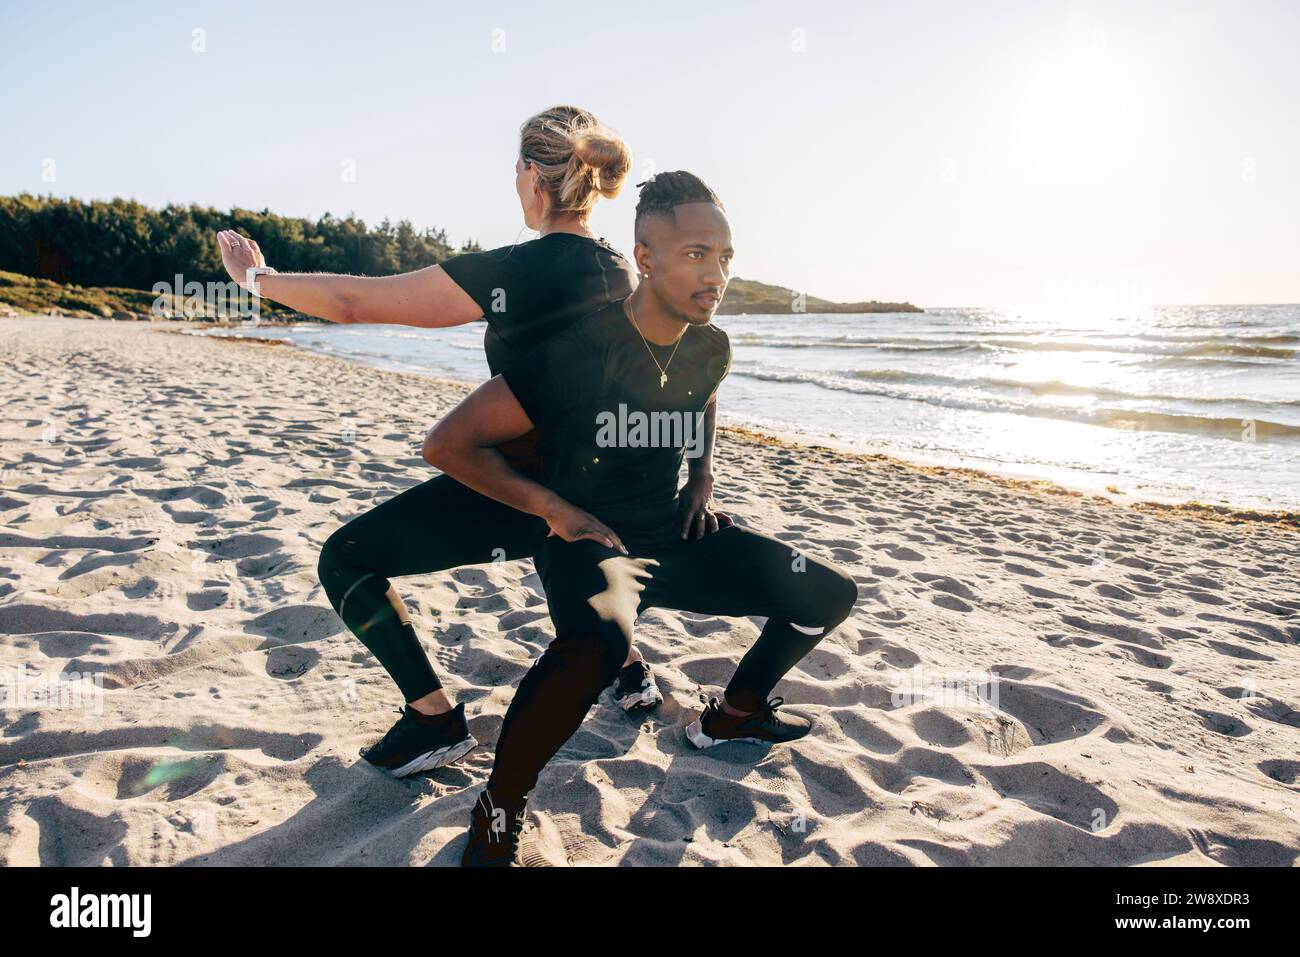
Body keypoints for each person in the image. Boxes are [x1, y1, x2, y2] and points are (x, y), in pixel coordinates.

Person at [215, 107, 726, 779]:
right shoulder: (628, 273)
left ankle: (432, 718)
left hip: (526, 489)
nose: (513, 179)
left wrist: (257, 279)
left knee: (347, 561)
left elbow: (353, 302)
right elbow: (694, 365)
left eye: (518, 166)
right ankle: (628, 672)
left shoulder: (519, 269)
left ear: (537, 181)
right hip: (605, 489)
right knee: (562, 542)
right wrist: (700, 475)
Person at [421, 171, 859, 866]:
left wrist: (701, 477)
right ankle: (498, 809)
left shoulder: (710, 343)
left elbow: (704, 395)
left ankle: (735, 713)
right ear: (645, 257)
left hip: (674, 535)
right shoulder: (579, 351)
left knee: (828, 593)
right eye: (695, 254)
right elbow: (447, 443)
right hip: (592, 545)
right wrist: (554, 510)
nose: (715, 273)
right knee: (594, 650)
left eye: (725, 256)